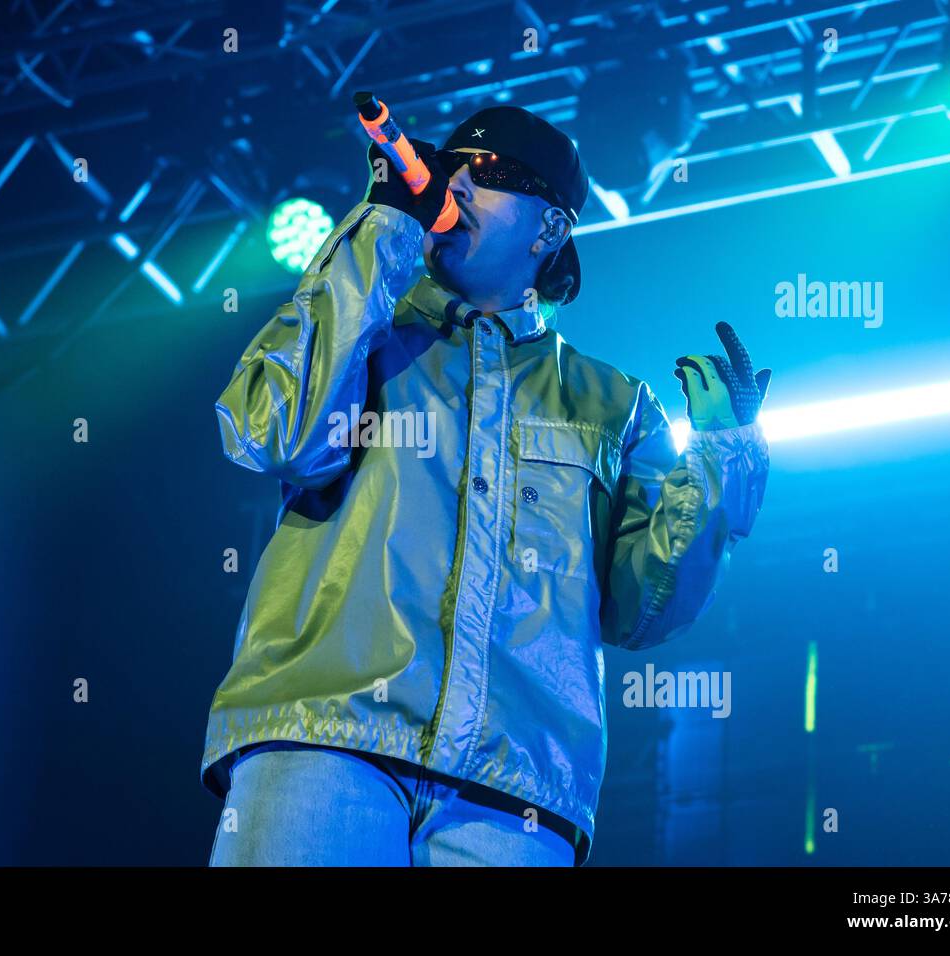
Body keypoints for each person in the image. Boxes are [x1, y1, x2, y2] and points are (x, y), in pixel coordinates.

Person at [202, 105, 771, 866]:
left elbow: (643, 610)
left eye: (494, 173)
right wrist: (380, 228)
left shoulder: (614, 404)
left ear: (550, 229)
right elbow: (270, 432)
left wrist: (721, 459)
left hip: (517, 786)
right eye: (454, 166)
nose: (461, 182)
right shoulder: (371, 324)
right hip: (325, 735)